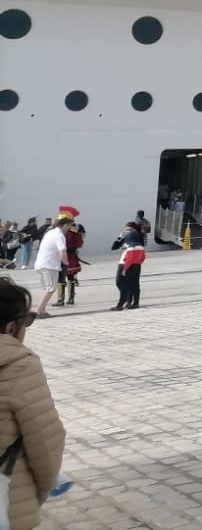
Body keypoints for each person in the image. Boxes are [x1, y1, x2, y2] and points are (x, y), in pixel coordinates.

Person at [0, 276, 65, 530]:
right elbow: (47, 444)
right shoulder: (18, 365)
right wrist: (42, 492)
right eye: (26, 320)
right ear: (10, 327)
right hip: (10, 498)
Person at [31, 212, 71, 319]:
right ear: (65, 225)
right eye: (69, 226)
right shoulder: (59, 235)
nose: (69, 228)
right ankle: (39, 311)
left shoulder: (50, 232)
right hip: (49, 265)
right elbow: (62, 251)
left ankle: (42, 310)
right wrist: (66, 262)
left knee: (47, 289)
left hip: (41, 264)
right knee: (50, 289)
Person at [111, 221, 146, 311]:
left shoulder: (135, 238)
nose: (127, 231)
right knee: (130, 283)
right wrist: (120, 236)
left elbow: (138, 251)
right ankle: (129, 301)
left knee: (128, 283)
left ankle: (130, 301)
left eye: (129, 230)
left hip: (128, 261)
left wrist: (129, 264)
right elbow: (114, 247)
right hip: (129, 261)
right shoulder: (126, 238)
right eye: (126, 230)